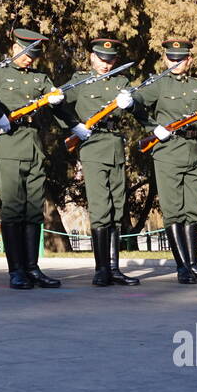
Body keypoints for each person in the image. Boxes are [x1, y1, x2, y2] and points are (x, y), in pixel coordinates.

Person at [0, 28, 80, 289]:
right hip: (7, 145)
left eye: (34, 54)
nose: (29, 59)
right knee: (13, 210)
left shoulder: (41, 77)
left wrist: (70, 118)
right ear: (13, 47)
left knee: (32, 211)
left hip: (32, 146)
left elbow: (57, 106)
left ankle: (32, 267)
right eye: (25, 52)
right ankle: (16, 270)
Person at [63, 37, 144, 286]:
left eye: (110, 61)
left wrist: (131, 104)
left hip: (115, 146)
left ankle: (114, 268)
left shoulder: (122, 83)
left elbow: (141, 107)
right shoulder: (80, 81)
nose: (105, 64)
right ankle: (101, 269)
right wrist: (74, 127)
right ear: (92, 58)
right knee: (100, 208)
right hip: (92, 146)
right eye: (101, 59)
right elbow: (57, 104)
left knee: (117, 208)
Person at [138, 38, 197, 284]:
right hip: (167, 150)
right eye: (172, 59)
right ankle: (183, 267)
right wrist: (153, 127)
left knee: (191, 210)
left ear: (189, 60)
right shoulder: (157, 85)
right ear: (165, 59)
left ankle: (194, 264)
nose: (176, 63)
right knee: (173, 211)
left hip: (192, 150)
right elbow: (135, 105)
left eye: (181, 59)